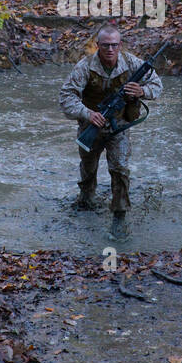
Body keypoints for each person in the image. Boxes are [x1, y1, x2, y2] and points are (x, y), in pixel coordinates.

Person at [58, 24, 163, 238]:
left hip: (119, 126)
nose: (110, 50)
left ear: (120, 45)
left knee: (120, 168)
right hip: (91, 124)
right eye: (105, 45)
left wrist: (142, 91)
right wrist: (87, 113)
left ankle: (119, 215)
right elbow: (66, 97)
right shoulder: (85, 66)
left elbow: (157, 85)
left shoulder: (133, 63)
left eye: (114, 45)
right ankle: (86, 199)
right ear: (97, 45)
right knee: (89, 166)